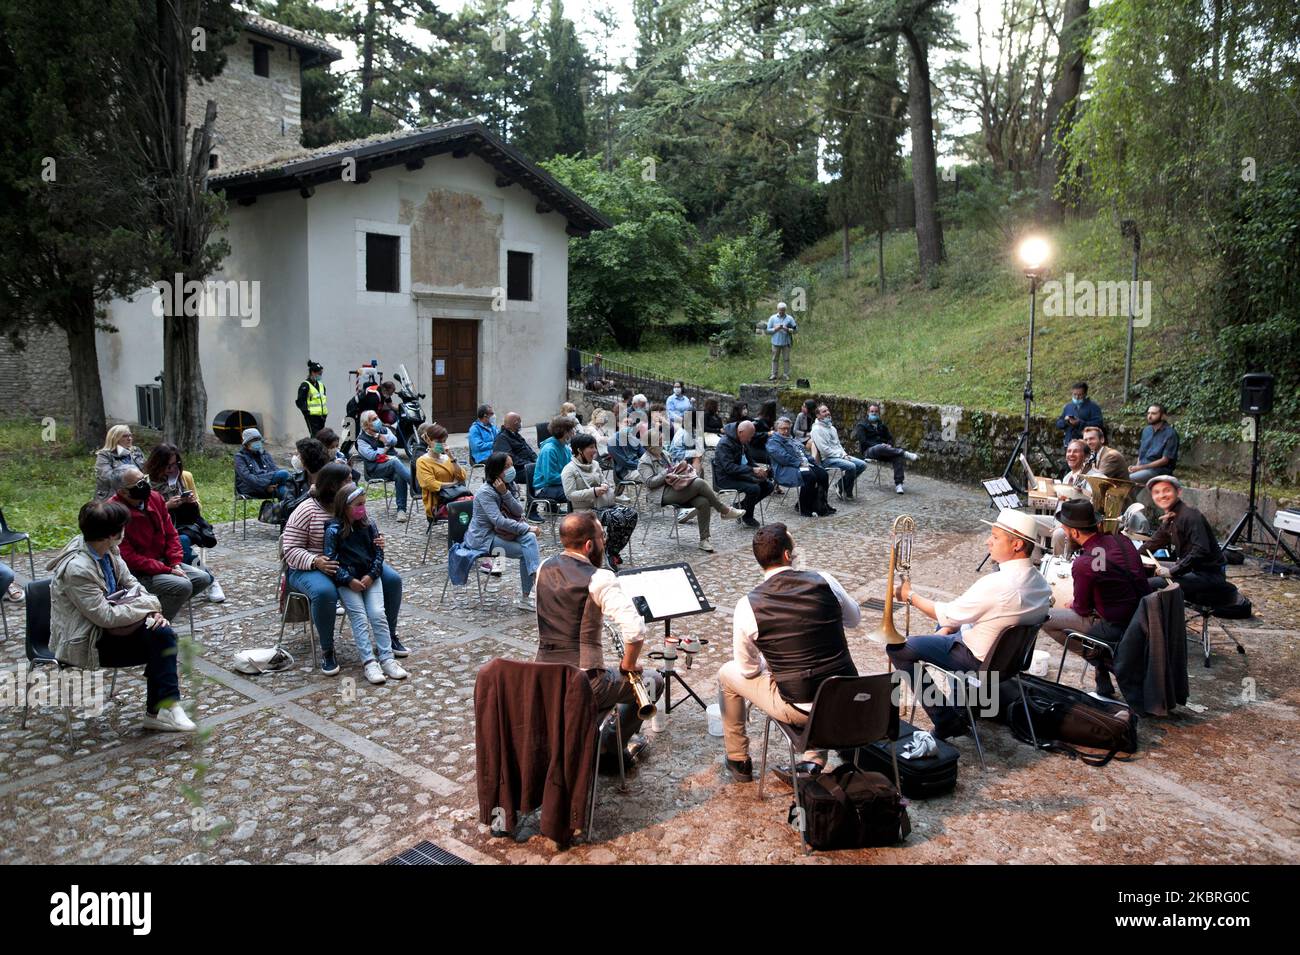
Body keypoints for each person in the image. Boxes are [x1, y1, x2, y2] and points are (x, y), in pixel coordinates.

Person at [887, 509, 1051, 739]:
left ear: (1016, 545)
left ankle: (946, 720)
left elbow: (948, 614)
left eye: (995, 537)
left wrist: (910, 595)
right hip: (1007, 662)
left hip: (976, 660)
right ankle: (964, 709)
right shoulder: (1042, 585)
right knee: (944, 629)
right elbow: (973, 616)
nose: (988, 541)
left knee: (898, 648)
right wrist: (947, 628)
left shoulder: (999, 583)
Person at [718, 523, 860, 782]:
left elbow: (748, 670)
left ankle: (738, 760)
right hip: (846, 695)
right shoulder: (825, 580)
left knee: (727, 674)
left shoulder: (747, 605)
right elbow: (853, 619)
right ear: (787, 555)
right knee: (822, 676)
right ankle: (814, 757)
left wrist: (772, 661)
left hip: (799, 706)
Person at [48, 499, 195, 731]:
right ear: (110, 534)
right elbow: (105, 616)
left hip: (114, 627)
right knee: (163, 640)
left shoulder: (109, 551)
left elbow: (132, 584)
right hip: (88, 641)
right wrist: (147, 609)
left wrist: (153, 610)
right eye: (122, 527)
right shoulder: (77, 569)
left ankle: (166, 708)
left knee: (162, 633)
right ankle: (162, 710)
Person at [534, 512, 664, 771]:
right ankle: (611, 749)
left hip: (542, 678)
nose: (604, 542)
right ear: (589, 545)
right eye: (601, 537)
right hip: (584, 683)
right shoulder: (599, 577)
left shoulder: (543, 567)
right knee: (653, 681)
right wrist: (628, 665)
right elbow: (635, 629)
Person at [283, 462, 408, 674]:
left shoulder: (355, 505)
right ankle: (327, 649)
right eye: (347, 480)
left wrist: (377, 542)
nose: (352, 483)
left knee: (392, 579)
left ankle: (389, 636)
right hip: (311, 566)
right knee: (324, 592)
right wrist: (316, 561)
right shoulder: (307, 509)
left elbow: (368, 532)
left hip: (355, 562)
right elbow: (290, 549)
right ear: (332, 486)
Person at [1041, 500, 1152, 699]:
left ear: (1074, 533)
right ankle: (1102, 666)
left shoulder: (1084, 563)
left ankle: (1102, 660)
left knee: (1043, 617)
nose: (1065, 534)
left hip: (1116, 625)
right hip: (1141, 614)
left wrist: (1075, 604)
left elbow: (1082, 610)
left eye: (1065, 530)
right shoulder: (1121, 540)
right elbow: (1107, 575)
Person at [324, 484, 409, 685]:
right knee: (359, 617)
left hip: (370, 577)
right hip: (348, 582)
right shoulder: (334, 530)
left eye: (364, 504)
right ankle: (369, 662)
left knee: (378, 613)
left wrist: (371, 575)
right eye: (358, 504)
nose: (362, 508)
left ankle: (387, 658)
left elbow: (378, 554)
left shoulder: (369, 525)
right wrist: (348, 580)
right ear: (345, 506)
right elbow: (331, 560)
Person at [110, 468, 213, 624]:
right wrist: (168, 570)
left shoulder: (155, 498)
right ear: (123, 492)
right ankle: (152, 625)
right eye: (139, 484)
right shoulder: (114, 512)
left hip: (163, 562)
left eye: (144, 479)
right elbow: (128, 558)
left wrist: (175, 563)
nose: (145, 485)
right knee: (183, 586)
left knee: (203, 578)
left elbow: (171, 534)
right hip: (138, 573)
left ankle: (155, 616)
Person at [143, 444, 226, 602]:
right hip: (157, 529)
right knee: (180, 542)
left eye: (176, 464)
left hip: (184, 524)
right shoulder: (145, 483)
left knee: (182, 541)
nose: (172, 469)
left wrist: (190, 502)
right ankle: (208, 579)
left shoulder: (184, 477)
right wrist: (166, 506)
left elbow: (197, 510)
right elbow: (142, 515)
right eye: (168, 466)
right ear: (157, 464)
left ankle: (208, 580)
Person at [467, 452, 542, 610]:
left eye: (511, 465)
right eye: (506, 467)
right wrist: (527, 527)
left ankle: (532, 586)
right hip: (485, 537)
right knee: (525, 550)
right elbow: (498, 521)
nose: (511, 469)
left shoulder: (510, 485)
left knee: (529, 539)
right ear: (496, 471)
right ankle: (533, 588)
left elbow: (518, 510)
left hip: (504, 532)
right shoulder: (485, 492)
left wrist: (505, 493)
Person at [1140, 476, 1231, 606]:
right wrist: (1131, 557)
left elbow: (1201, 550)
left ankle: (1158, 622)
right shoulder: (1171, 517)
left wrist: (1172, 571)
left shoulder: (1191, 516)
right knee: (1146, 567)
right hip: (1189, 569)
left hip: (1207, 575)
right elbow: (1152, 544)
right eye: (1156, 492)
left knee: (1148, 584)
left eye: (1167, 490)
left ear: (1179, 492)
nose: (1162, 495)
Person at [639, 440, 744, 553]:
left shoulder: (664, 454)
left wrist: (678, 470)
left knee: (703, 502)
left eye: (661, 439)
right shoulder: (644, 462)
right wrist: (666, 472)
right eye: (658, 441)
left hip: (675, 487)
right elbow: (650, 483)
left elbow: (673, 471)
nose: (661, 442)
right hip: (661, 494)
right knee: (700, 483)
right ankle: (724, 510)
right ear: (650, 446)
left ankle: (704, 540)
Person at [562, 433, 639, 569]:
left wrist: (605, 486)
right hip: (585, 510)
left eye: (595, 447)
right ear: (579, 450)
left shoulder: (596, 464)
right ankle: (608, 552)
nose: (595, 451)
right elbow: (570, 494)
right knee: (617, 517)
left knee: (631, 514)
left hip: (603, 504)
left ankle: (611, 550)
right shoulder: (569, 470)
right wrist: (593, 492)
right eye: (591, 447)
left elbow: (603, 481)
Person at [766, 416, 833, 517]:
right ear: (776, 429)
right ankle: (803, 507)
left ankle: (820, 504)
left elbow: (804, 453)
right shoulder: (772, 442)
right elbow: (783, 457)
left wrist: (813, 462)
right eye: (783, 428)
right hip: (785, 470)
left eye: (788, 428)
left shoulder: (792, 439)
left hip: (800, 465)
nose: (786, 431)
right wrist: (800, 463)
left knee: (822, 474)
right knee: (809, 475)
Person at [356, 410, 414, 523]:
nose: (378, 421)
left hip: (391, 467)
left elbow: (395, 440)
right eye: (373, 419)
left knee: (399, 474)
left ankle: (401, 511)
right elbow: (372, 456)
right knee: (395, 461)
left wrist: (384, 439)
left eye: (377, 417)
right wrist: (386, 447)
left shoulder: (384, 429)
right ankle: (415, 484)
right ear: (366, 424)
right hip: (376, 469)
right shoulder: (361, 440)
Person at [713, 420, 773, 528]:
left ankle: (740, 506)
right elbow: (729, 468)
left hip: (739, 474)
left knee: (768, 485)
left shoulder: (742, 441)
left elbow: (749, 460)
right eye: (748, 437)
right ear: (740, 432)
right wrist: (752, 470)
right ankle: (747, 516)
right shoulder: (725, 444)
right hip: (725, 478)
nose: (749, 440)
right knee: (754, 489)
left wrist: (758, 468)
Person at [852, 402, 920, 494]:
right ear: (868, 412)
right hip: (869, 451)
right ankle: (904, 453)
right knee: (879, 447)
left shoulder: (882, 426)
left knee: (897, 456)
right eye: (872, 411)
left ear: (879, 413)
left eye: (876, 411)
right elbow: (863, 441)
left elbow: (890, 438)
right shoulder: (862, 425)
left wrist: (888, 445)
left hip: (884, 450)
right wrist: (878, 445)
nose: (874, 413)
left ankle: (899, 484)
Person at [810, 404, 867, 499]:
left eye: (827, 410)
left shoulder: (832, 428)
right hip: (827, 459)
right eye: (824, 411)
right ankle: (845, 489)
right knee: (851, 466)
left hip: (839, 456)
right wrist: (841, 455)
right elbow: (824, 450)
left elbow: (838, 445)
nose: (827, 413)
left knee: (862, 464)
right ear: (818, 416)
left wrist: (844, 454)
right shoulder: (816, 429)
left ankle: (840, 485)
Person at [415, 424, 469, 519]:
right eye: (439, 441)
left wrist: (452, 458)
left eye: (444, 441)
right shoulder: (422, 461)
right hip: (438, 502)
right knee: (464, 506)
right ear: (429, 441)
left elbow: (462, 476)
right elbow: (430, 484)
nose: (443, 444)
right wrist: (452, 484)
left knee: (473, 503)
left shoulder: (447, 458)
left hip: (455, 496)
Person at [531, 414, 575, 516]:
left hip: (556, 485)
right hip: (544, 488)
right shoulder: (549, 449)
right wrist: (571, 479)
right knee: (574, 493)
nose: (573, 432)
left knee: (581, 488)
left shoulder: (565, 447)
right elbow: (550, 477)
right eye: (571, 430)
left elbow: (569, 468)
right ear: (563, 432)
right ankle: (573, 520)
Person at [235, 428, 294, 502]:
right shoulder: (240, 457)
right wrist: (265, 487)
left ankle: (283, 512)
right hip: (251, 489)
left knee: (285, 491)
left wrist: (275, 484)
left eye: (258, 439)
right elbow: (248, 478)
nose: (257, 442)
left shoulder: (264, 454)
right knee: (284, 473)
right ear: (246, 443)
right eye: (253, 440)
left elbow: (274, 469)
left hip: (270, 485)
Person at [94, 425, 146, 500]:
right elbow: (107, 477)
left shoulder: (136, 451)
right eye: (125, 436)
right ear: (115, 438)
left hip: (136, 492)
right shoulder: (104, 455)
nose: (129, 438)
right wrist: (132, 479)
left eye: (130, 435)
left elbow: (145, 470)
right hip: (112, 496)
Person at [1130, 404, 1179, 483]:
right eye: (1148, 413)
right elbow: (1141, 453)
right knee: (1118, 476)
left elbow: (1165, 460)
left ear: (1163, 416)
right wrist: (1136, 466)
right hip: (1143, 468)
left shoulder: (1171, 434)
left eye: (1153, 413)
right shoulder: (1146, 430)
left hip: (1158, 471)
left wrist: (1141, 468)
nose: (1149, 416)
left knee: (1128, 479)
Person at [1054, 381, 1103, 448]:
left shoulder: (1093, 407)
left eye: (1080, 395)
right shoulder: (1068, 406)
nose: (1077, 397)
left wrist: (1079, 423)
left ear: (1085, 394)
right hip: (1070, 443)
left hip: (1086, 444)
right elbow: (1058, 423)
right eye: (1074, 394)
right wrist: (1066, 421)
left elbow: (1098, 424)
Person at [765, 302, 797, 381]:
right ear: (777, 309)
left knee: (786, 359)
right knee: (775, 359)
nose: (781, 312)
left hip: (786, 342)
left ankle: (786, 374)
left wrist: (787, 329)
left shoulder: (790, 318)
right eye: (780, 310)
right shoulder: (772, 318)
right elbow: (767, 330)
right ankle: (774, 374)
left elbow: (796, 330)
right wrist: (775, 329)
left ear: (785, 310)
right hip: (775, 342)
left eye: (783, 310)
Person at [295, 360, 328, 437]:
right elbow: (300, 401)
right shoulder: (305, 385)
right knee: (315, 436)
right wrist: (306, 412)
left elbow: (323, 399)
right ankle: (312, 449)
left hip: (322, 416)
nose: (320, 375)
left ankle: (317, 449)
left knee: (321, 436)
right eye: (319, 374)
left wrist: (324, 413)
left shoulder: (321, 385)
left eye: (321, 374)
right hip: (312, 416)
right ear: (313, 372)